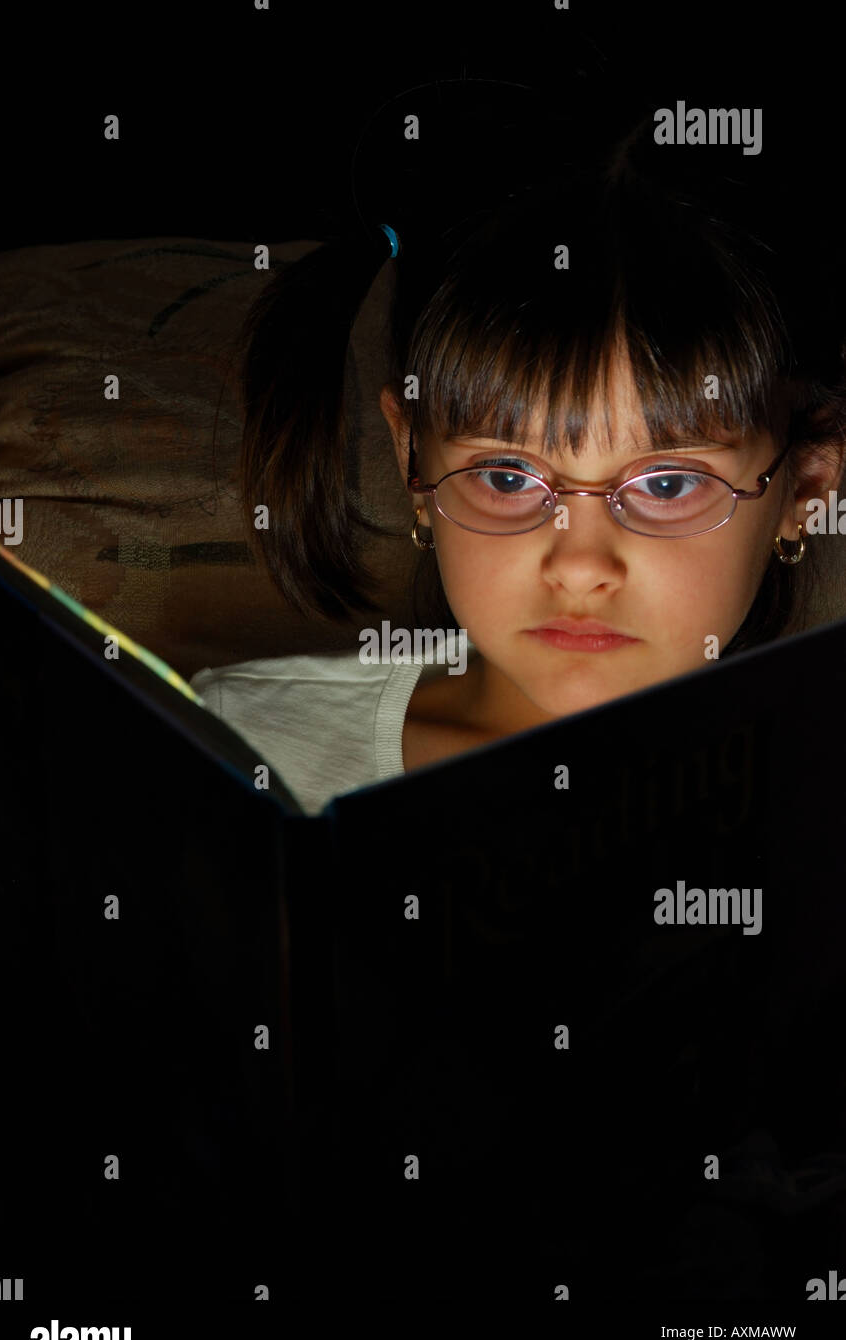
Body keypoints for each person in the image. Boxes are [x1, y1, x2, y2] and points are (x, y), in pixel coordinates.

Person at [190, 110, 846, 816]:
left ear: (806, 486)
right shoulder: (234, 749)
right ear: (412, 458)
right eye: (507, 477)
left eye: (668, 483)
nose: (579, 565)